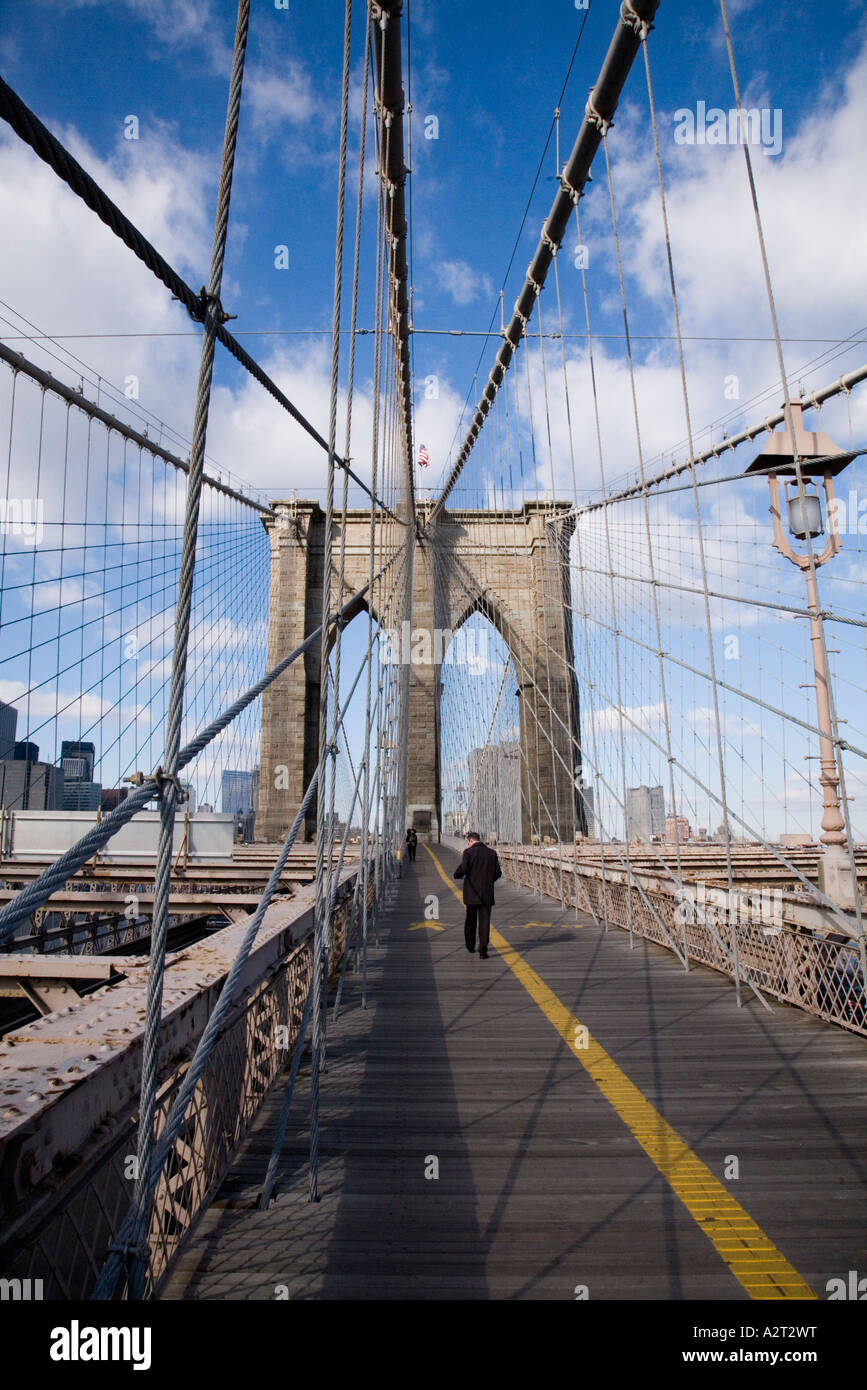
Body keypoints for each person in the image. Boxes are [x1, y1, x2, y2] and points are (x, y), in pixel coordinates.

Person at [454, 831, 501, 958]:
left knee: (470, 920)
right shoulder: (492, 853)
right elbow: (498, 873)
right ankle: (483, 951)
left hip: (471, 892)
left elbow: (463, 869)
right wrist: (488, 882)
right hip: (487, 893)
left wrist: (457, 875)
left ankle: (470, 946)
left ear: (469, 841)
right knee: (485, 922)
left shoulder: (468, 853)